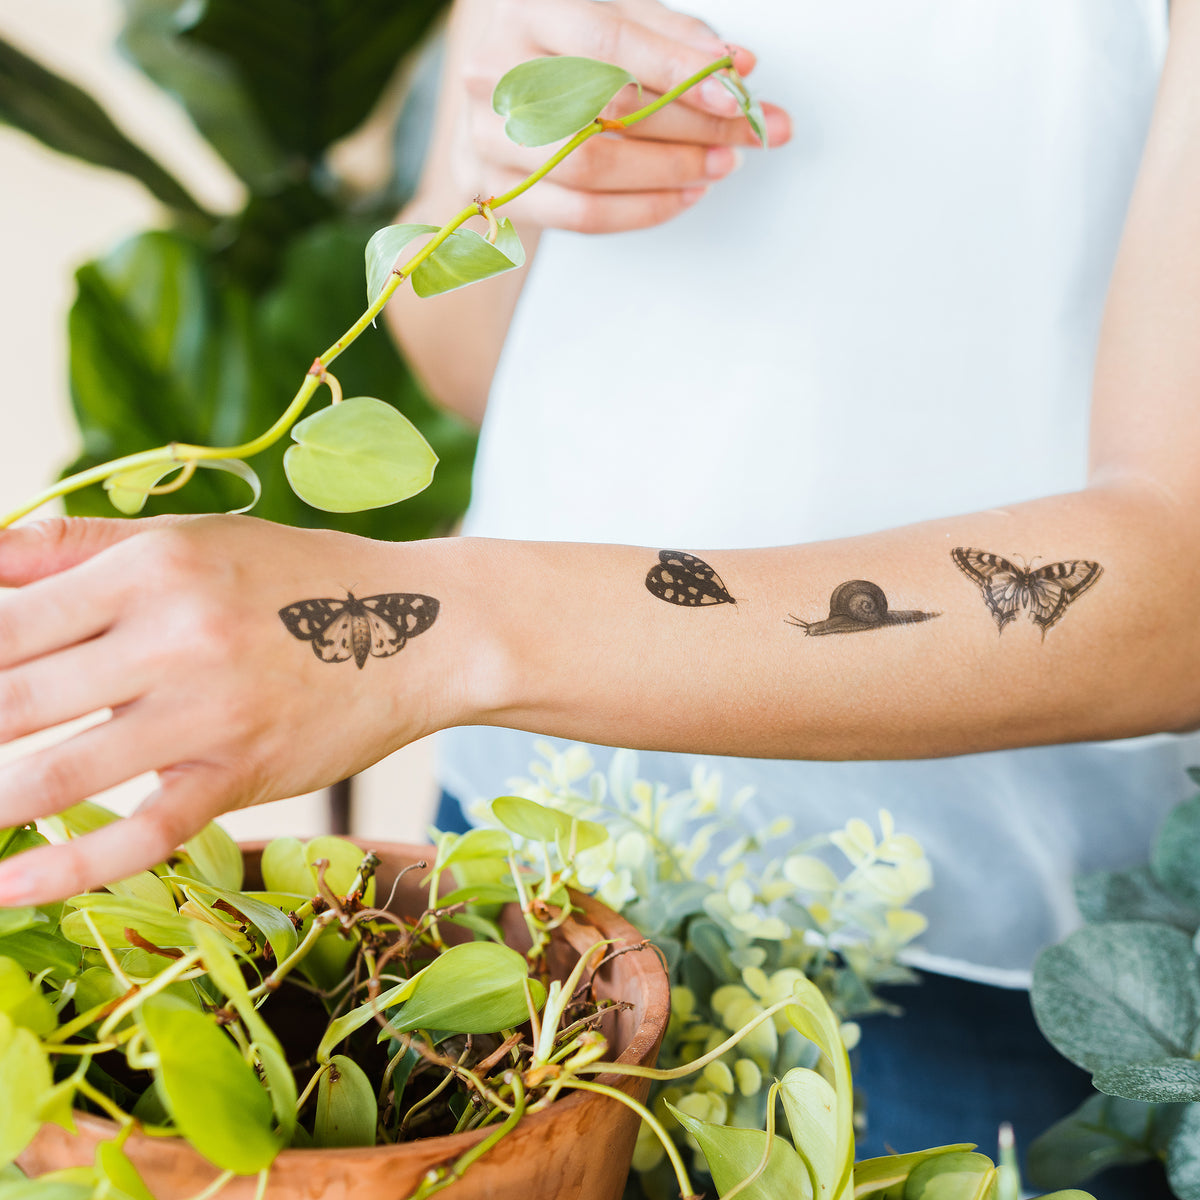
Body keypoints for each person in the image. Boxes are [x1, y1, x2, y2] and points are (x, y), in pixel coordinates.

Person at [0, 0, 1193, 1193]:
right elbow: (473, 365)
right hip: (526, 858)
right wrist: (504, 169)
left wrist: (430, 630)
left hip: (957, 962)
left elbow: (1179, 582)